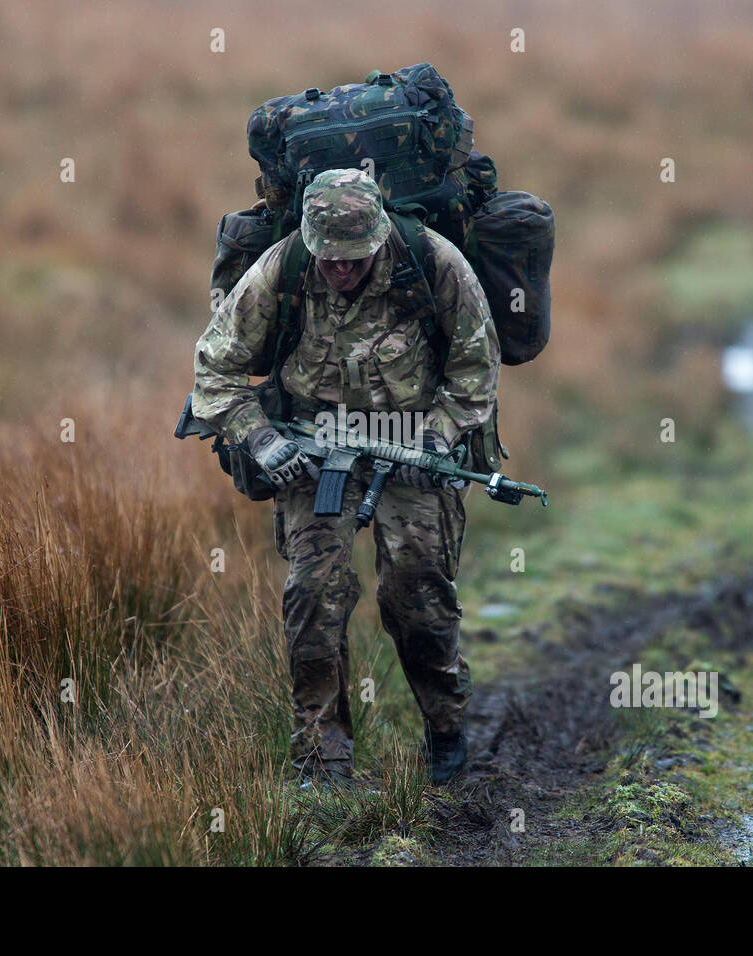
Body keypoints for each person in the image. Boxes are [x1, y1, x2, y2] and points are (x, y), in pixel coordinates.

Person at [191, 168, 499, 784]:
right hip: (312, 448)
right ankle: (321, 753)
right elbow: (214, 371)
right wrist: (264, 439)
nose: (339, 271)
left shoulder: (434, 264)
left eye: (353, 261)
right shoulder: (281, 270)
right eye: (328, 259)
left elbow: (476, 370)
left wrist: (436, 436)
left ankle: (445, 730)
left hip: (408, 442)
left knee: (415, 590)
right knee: (313, 594)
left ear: (380, 239)